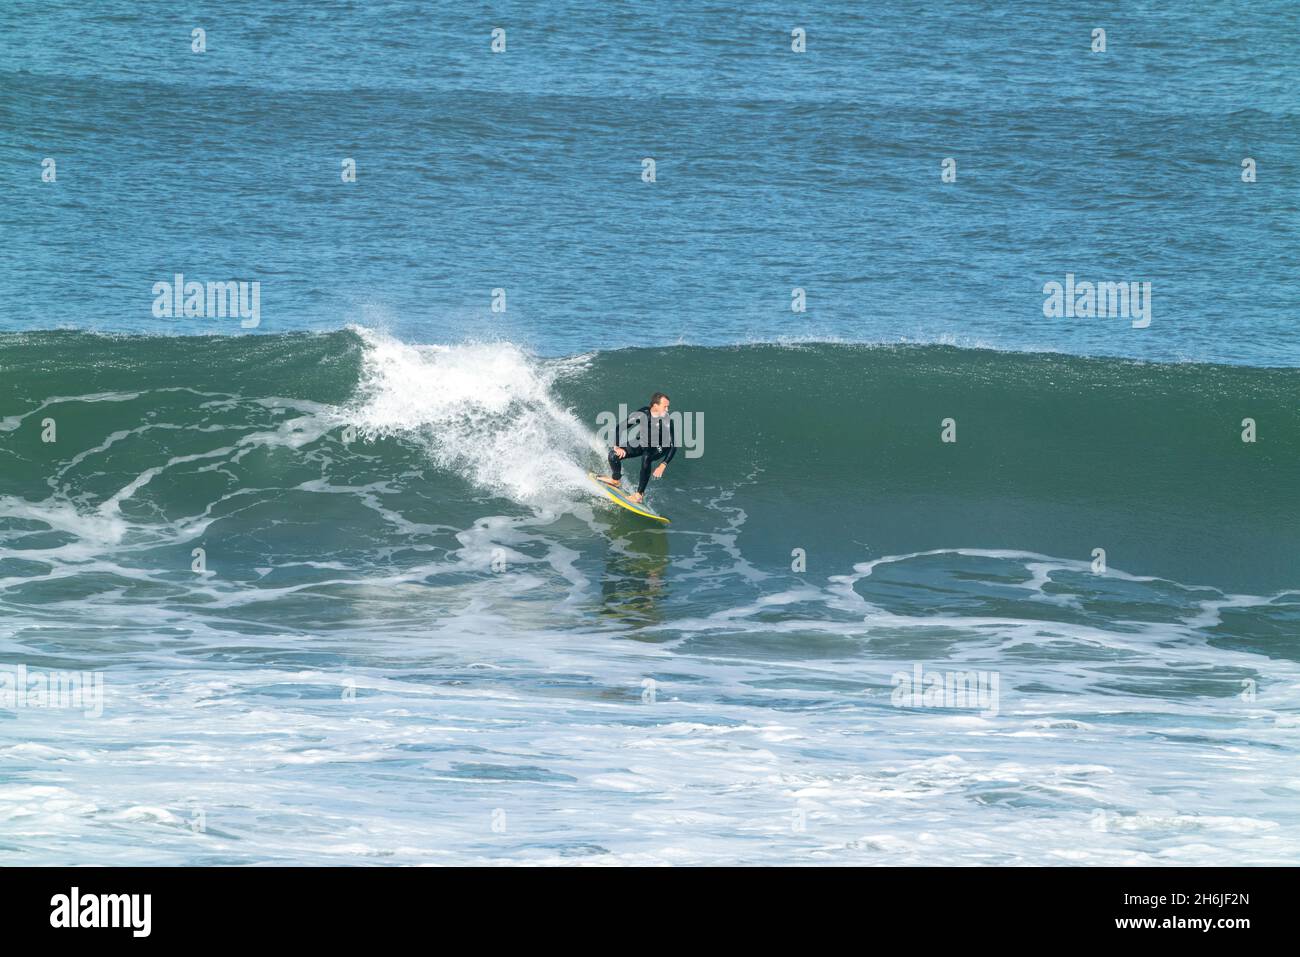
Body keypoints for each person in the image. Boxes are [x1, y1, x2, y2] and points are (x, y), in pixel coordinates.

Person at [599, 392, 676, 503]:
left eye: (668, 407)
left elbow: (673, 445)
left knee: (646, 457)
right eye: (665, 407)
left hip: (660, 447)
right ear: (655, 405)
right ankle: (615, 480)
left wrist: (663, 464)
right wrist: (617, 446)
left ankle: (639, 495)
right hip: (643, 441)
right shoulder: (642, 414)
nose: (667, 410)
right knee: (613, 455)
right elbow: (620, 427)